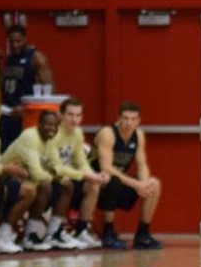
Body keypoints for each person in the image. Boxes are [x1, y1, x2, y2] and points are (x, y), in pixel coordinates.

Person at [93, 101, 163, 250]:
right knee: (113, 181)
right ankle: (108, 233)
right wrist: (136, 184)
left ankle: (142, 234)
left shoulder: (139, 135)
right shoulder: (107, 133)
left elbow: (142, 164)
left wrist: (144, 183)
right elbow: (106, 168)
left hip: (119, 182)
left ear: (138, 121)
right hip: (96, 182)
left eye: (133, 119)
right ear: (118, 118)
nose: (128, 123)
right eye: (125, 118)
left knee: (154, 184)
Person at [46, 97, 108, 249]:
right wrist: (86, 175)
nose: (74, 119)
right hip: (49, 177)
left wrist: (95, 175)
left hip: (68, 177)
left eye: (78, 115)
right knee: (67, 182)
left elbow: (81, 162)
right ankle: (55, 232)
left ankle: (81, 230)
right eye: (70, 115)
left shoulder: (77, 133)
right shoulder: (53, 133)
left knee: (93, 185)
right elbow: (57, 168)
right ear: (61, 115)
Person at [0, 109, 59, 250]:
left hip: (23, 179)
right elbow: (37, 173)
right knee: (31, 190)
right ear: (39, 124)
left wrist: (58, 174)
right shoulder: (30, 137)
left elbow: (57, 166)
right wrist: (55, 176)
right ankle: (3, 234)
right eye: (48, 124)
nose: (51, 128)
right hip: (2, 178)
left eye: (55, 125)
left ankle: (31, 235)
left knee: (48, 186)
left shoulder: (50, 140)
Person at [0, 23, 53, 151]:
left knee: (24, 153)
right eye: (11, 42)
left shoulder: (36, 58)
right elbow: (5, 87)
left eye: (18, 41)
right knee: (5, 153)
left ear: (25, 39)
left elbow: (49, 92)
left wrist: (26, 108)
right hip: (7, 115)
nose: (14, 45)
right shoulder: (9, 59)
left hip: (26, 116)